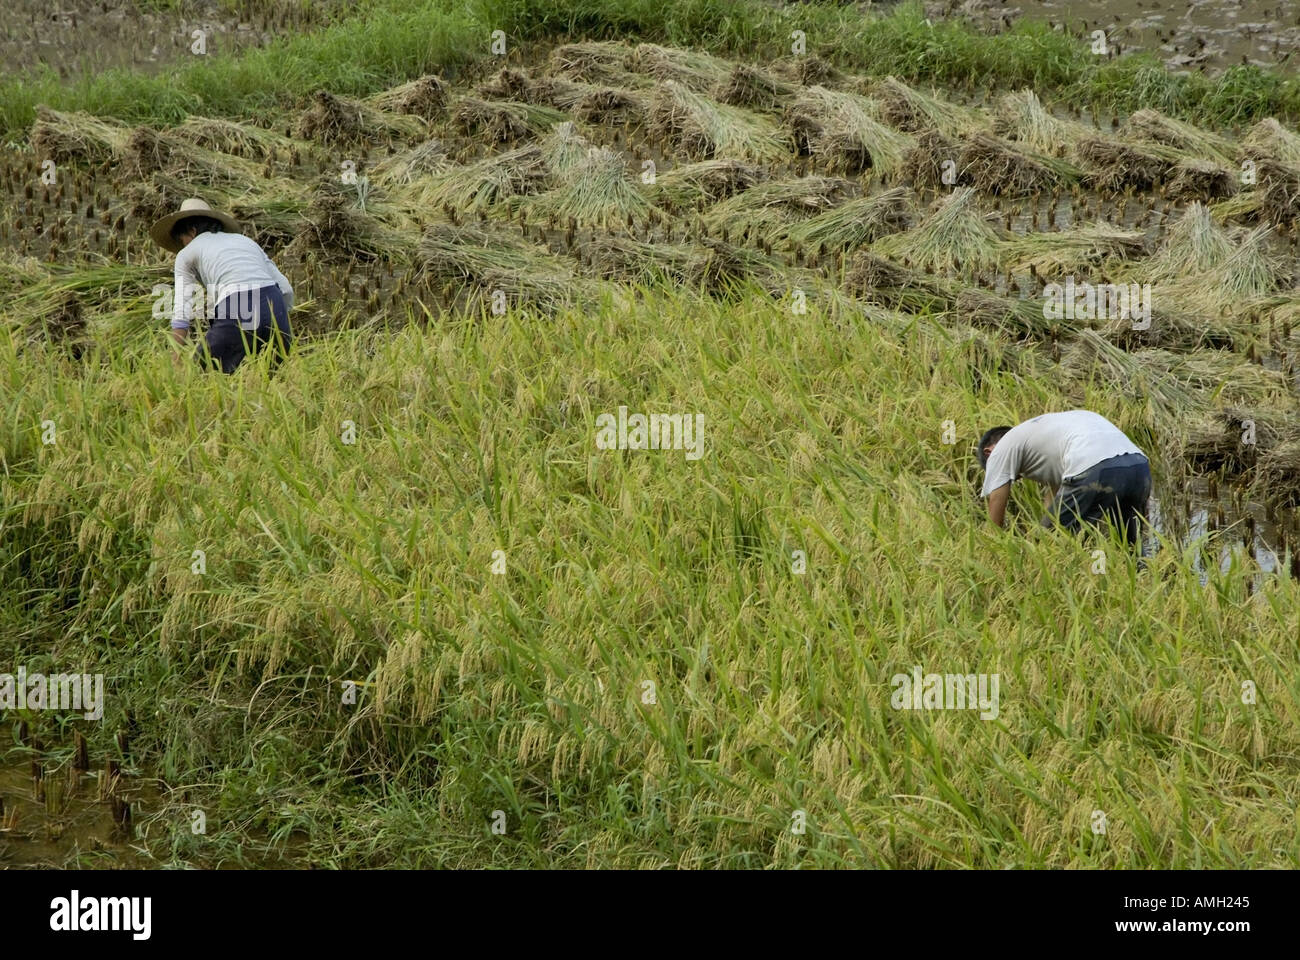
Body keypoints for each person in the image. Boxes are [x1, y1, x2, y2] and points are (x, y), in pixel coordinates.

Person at [149, 197, 293, 373]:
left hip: (239, 306)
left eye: (182, 240)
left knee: (201, 376)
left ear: (192, 231)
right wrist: (278, 320)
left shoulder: (187, 253)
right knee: (273, 380)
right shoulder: (246, 242)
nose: (183, 246)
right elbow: (285, 288)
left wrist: (175, 357)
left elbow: (182, 312)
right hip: (275, 304)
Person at [977, 410, 1151, 549]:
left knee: (1045, 546)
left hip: (1094, 466)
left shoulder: (1001, 448)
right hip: (1138, 466)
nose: (1018, 479)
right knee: (1129, 547)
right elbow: (1056, 503)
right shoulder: (1045, 435)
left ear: (989, 452)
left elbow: (995, 511)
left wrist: (992, 550)